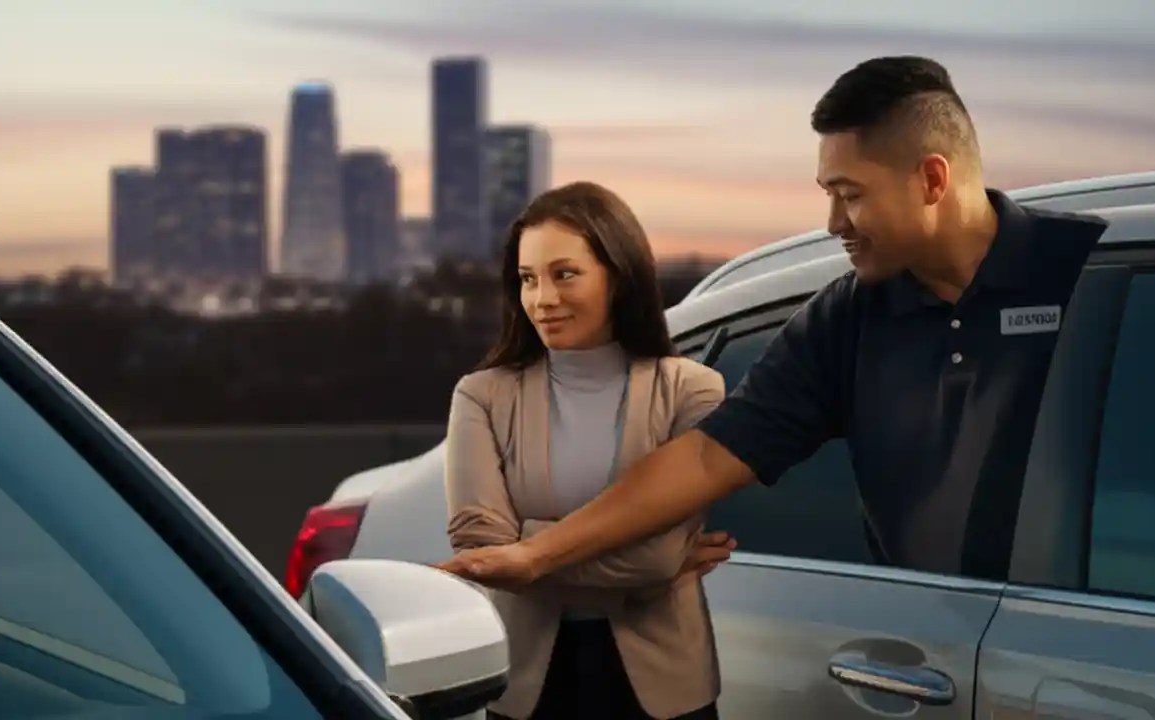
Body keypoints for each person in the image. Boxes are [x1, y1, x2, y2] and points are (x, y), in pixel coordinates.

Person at [438, 57, 1110, 591]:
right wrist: (536, 556)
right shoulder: (846, 319)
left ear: (932, 179)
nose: (834, 225)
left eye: (850, 196)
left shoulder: (1093, 274)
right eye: (829, 197)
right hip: (938, 655)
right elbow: (705, 456)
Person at [445, 181, 732, 720]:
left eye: (564, 274)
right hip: (528, 685)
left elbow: (658, 554)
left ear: (618, 276)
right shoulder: (481, 396)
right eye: (528, 279)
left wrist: (529, 554)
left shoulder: (692, 391)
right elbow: (480, 541)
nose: (542, 299)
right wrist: (652, 575)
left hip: (665, 691)